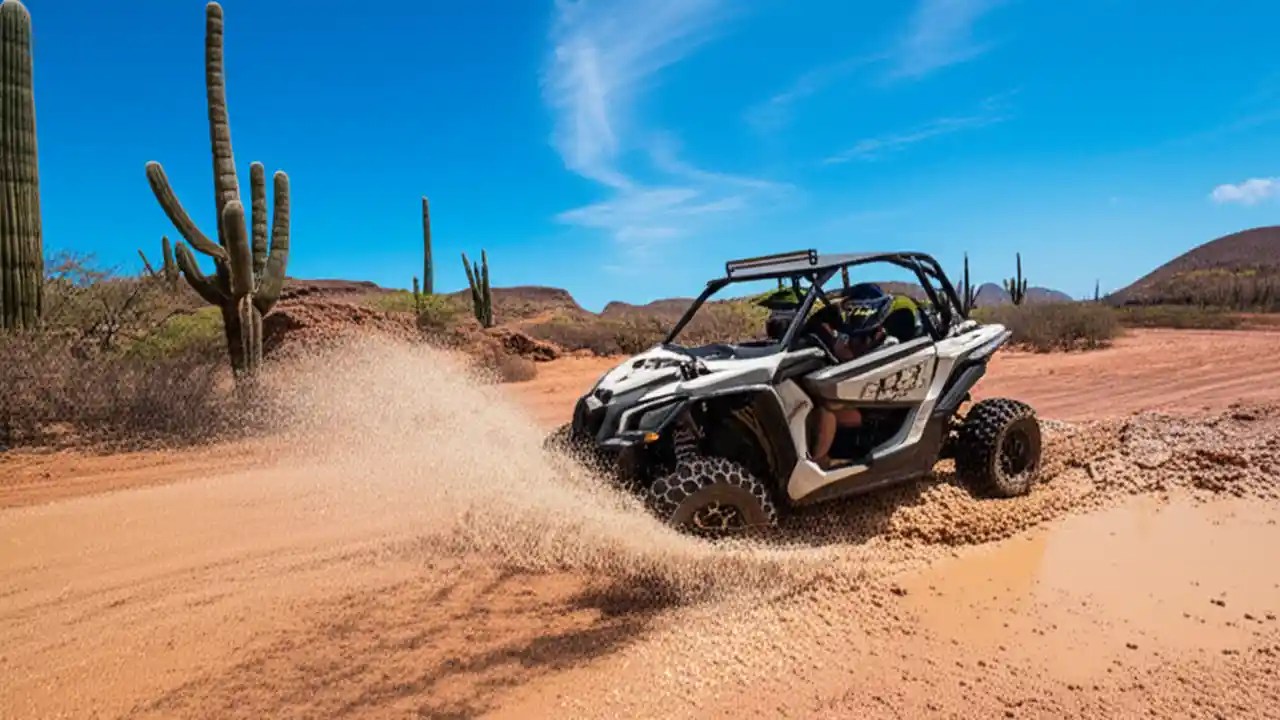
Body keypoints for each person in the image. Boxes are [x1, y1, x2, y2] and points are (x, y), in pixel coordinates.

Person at [808, 283, 893, 469]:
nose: (851, 314)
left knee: (826, 407)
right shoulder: (851, 337)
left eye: (855, 309)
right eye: (849, 309)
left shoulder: (888, 344)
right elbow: (841, 357)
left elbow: (873, 375)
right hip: (852, 393)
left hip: (875, 404)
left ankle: (820, 463)